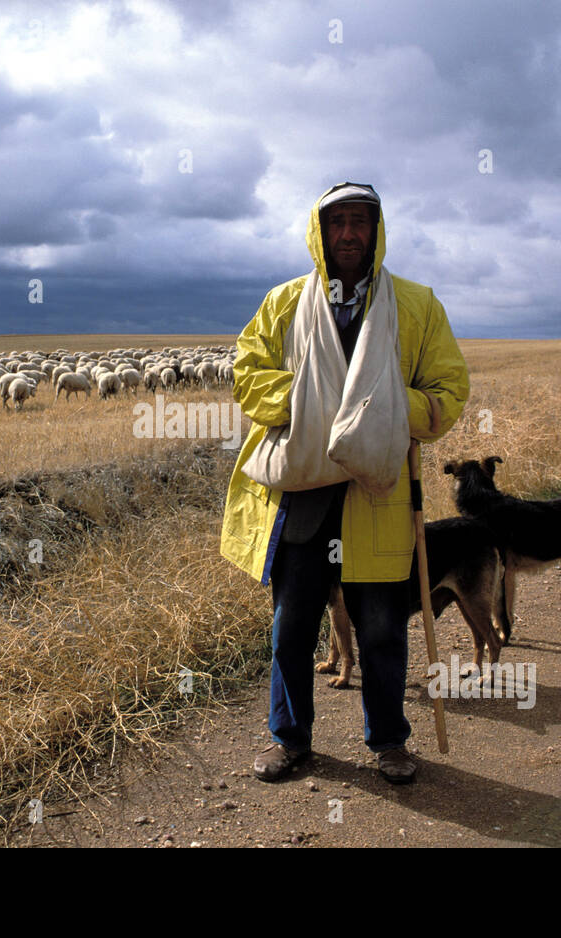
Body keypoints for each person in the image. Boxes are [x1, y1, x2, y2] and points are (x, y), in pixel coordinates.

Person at [220, 181, 469, 784]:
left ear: (377, 231)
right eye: (339, 224)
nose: (350, 234)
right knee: (292, 628)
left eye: (361, 222)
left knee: (382, 628)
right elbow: (247, 378)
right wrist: (319, 405)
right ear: (320, 232)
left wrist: (380, 410)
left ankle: (388, 742)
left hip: (377, 496)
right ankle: (291, 741)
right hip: (304, 496)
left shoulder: (416, 305)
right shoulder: (283, 304)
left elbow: (448, 394)